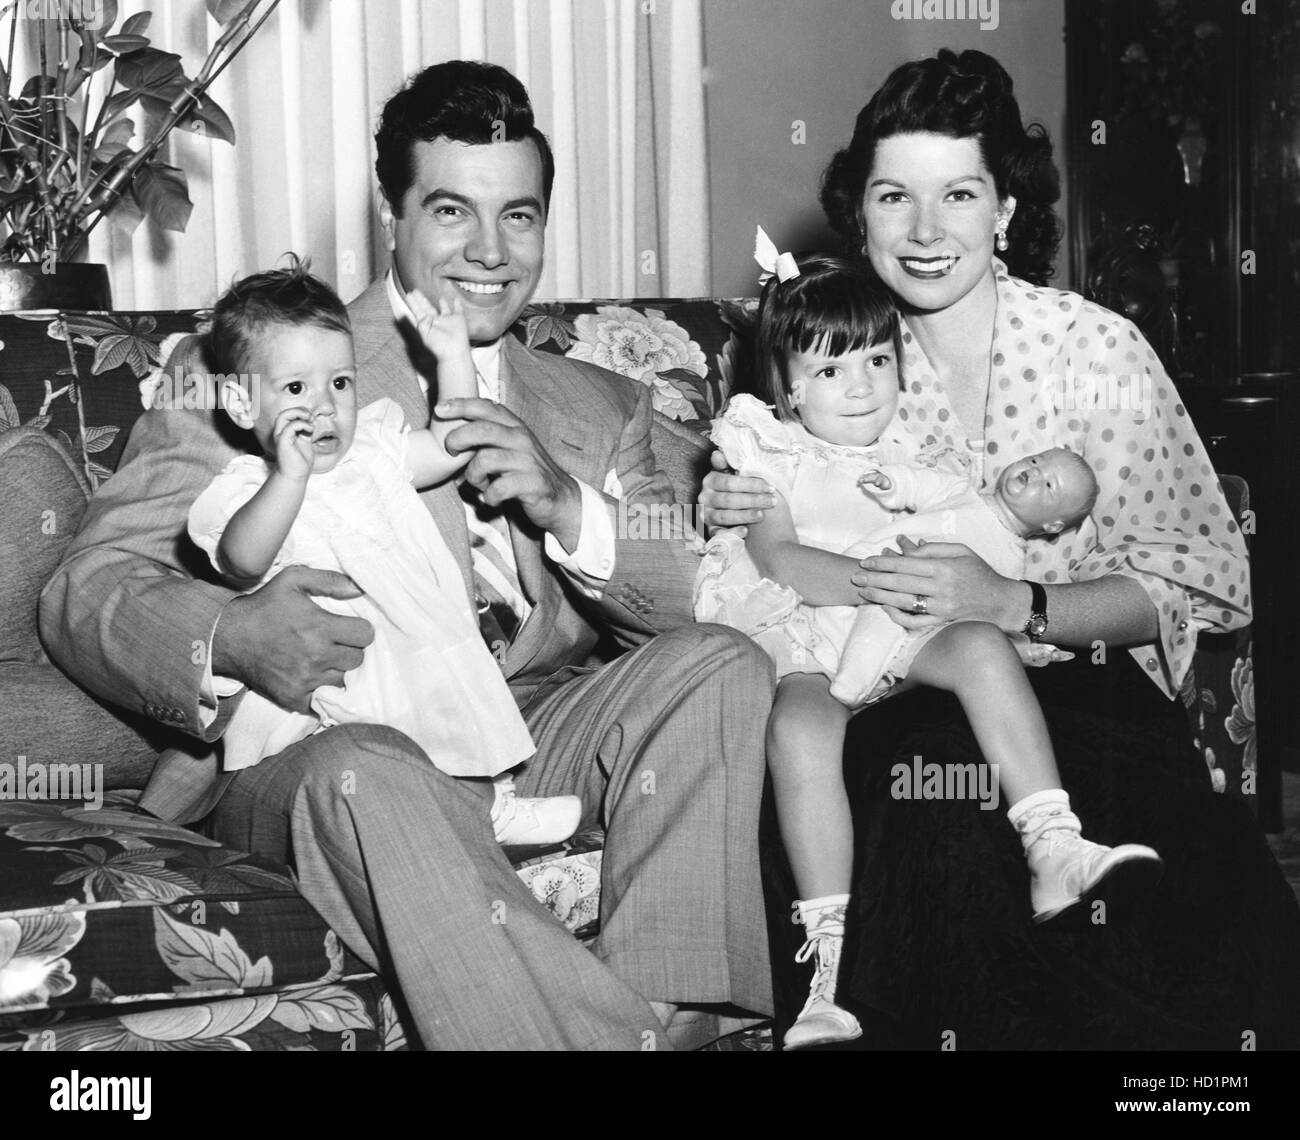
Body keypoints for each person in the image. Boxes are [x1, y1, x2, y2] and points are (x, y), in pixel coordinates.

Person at [40, 60, 774, 1050]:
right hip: (326, 746)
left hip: (519, 732)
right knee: (370, 767)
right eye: (450, 211)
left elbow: (699, 600)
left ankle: (668, 1013)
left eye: (518, 216)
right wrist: (233, 635)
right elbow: (86, 587)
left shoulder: (604, 405)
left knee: (722, 665)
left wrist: (564, 504)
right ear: (393, 213)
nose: (488, 250)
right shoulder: (275, 369)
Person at [700, 49, 1300, 1049]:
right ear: (860, 216)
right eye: (895, 197)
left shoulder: (1093, 350)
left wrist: (1012, 604)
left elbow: (1206, 575)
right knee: (911, 803)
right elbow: (770, 537)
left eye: (959, 195)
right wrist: (726, 506)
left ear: (1006, 213)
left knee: (1039, 849)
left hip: (1069, 693)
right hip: (874, 692)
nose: (926, 232)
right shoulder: (831, 354)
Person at [695, 247, 1159, 1049]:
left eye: (878, 359)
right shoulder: (770, 450)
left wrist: (966, 565)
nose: (864, 383)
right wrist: (884, 579)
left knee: (982, 644)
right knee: (802, 727)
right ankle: (827, 977)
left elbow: (976, 531)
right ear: (788, 386)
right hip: (811, 631)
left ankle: (1052, 841)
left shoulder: (912, 456)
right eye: (833, 370)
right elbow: (784, 561)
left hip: (901, 630)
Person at [187, 260, 580, 845]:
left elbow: (453, 445)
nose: (324, 406)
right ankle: (479, 817)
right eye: (296, 388)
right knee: (380, 759)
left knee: (446, 733)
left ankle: (488, 808)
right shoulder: (246, 490)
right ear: (244, 407)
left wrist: (450, 356)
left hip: (412, 645)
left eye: (339, 383)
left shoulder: (374, 451)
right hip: (336, 676)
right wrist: (289, 480)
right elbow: (242, 559)